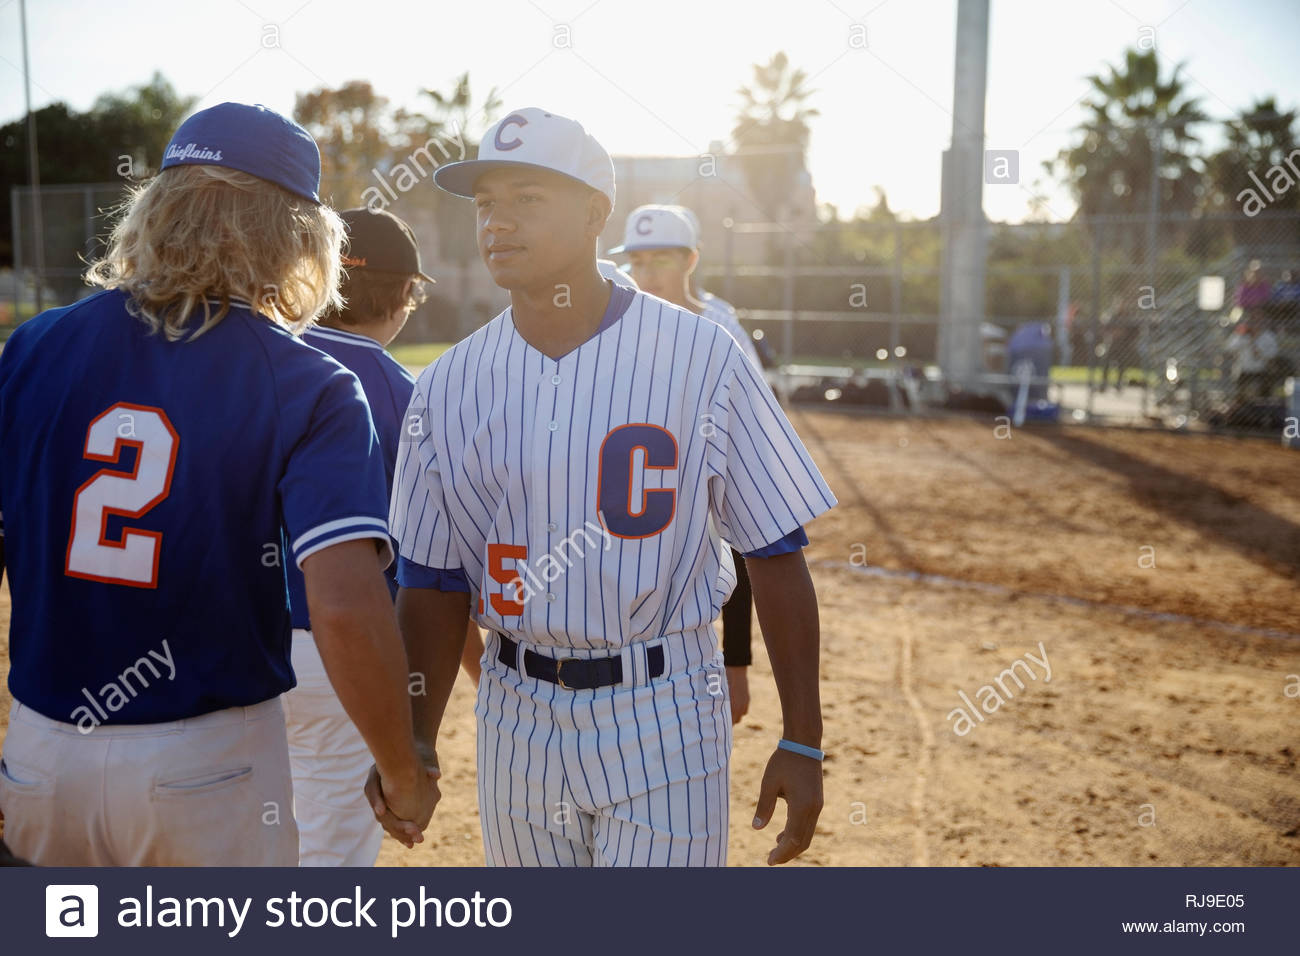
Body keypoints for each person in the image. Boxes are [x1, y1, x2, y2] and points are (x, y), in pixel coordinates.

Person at [374, 107, 836, 867]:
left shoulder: (700, 356)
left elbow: (775, 549)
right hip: (515, 708)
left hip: (664, 700)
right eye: (487, 203)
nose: (498, 223)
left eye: (528, 198)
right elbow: (430, 581)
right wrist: (416, 740)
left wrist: (801, 737)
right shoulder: (449, 383)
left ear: (595, 212)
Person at [0, 102, 435, 866]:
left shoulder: (34, 345)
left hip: (42, 752)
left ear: (156, 210)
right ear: (298, 236)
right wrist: (403, 775)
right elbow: (340, 601)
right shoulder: (309, 378)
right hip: (208, 760)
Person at [282, 207, 438, 866]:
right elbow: (434, 566)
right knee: (330, 851)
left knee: (248, 839)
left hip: (221, 643)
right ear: (406, 296)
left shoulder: (255, 358)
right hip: (338, 652)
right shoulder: (409, 396)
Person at [609, 204, 764, 724]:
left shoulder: (722, 328)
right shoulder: (618, 321)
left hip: (702, 486)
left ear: (691, 260)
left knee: (731, 544)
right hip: (641, 494)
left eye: (660, 260)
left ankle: (732, 668)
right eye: (637, 261)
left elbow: (754, 434)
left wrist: (737, 663)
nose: (646, 273)